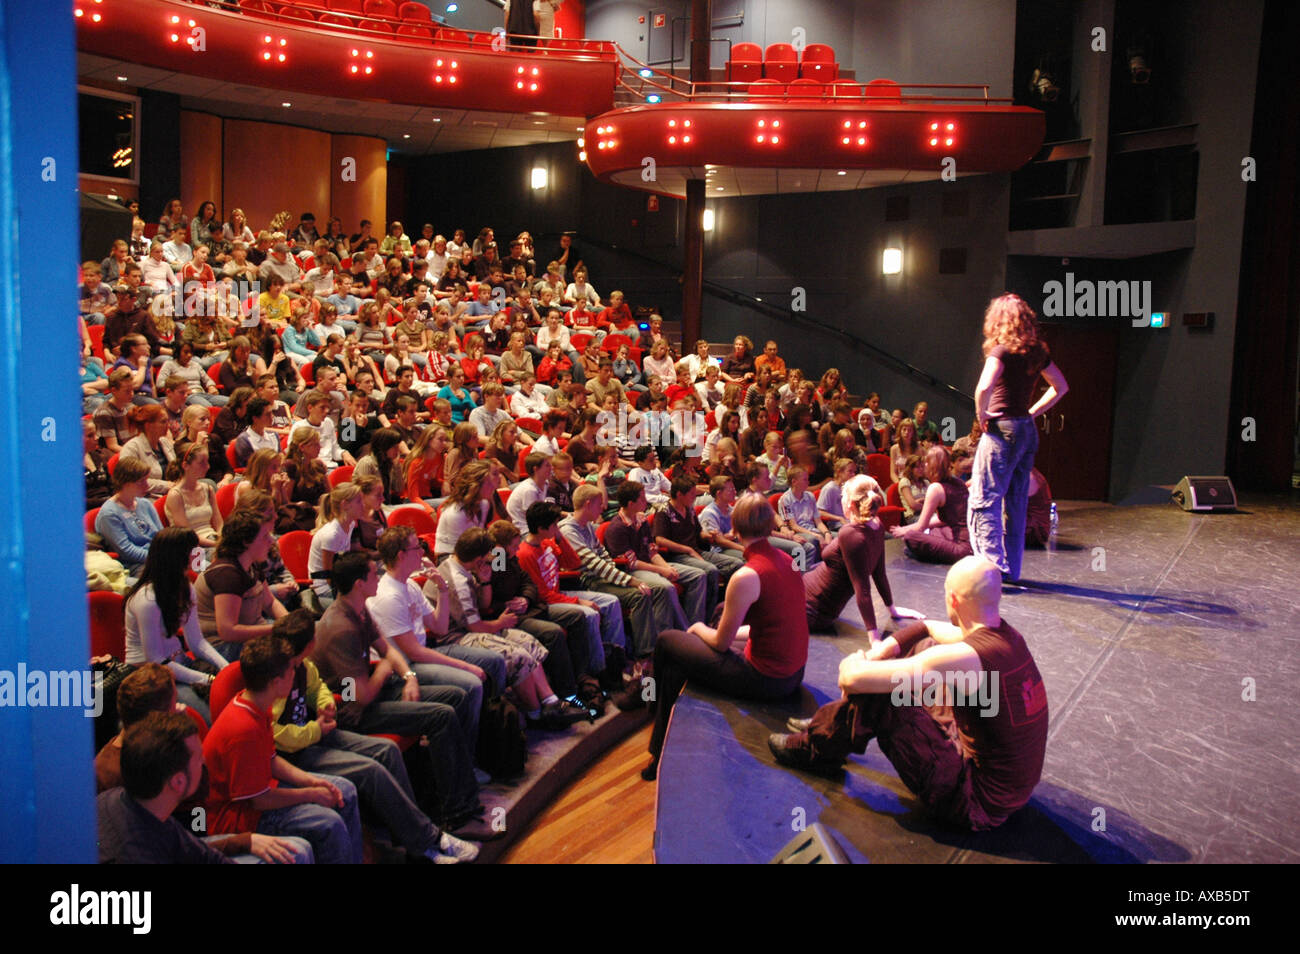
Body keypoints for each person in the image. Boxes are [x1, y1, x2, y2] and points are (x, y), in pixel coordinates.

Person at [768, 557, 1049, 831]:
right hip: (1010, 791)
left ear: (953, 600)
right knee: (925, 649)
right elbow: (927, 627)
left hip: (975, 801)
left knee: (882, 694)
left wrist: (858, 659)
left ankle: (816, 746)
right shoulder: (1006, 636)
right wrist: (886, 648)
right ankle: (832, 723)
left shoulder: (966, 656)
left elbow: (850, 678)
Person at [266, 609, 479, 863]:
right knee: (372, 769)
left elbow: (318, 687)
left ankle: (417, 837)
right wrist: (316, 729)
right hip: (302, 748)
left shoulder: (306, 663)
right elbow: (276, 732)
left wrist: (325, 704)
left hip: (322, 730)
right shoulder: (281, 674)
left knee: (387, 751)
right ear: (310, 643)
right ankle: (428, 839)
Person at [312, 552, 495, 842]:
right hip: (354, 712)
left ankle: (448, 787)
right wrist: (387, 668)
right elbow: (358, 696)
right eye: (373, 574)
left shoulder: (358, 609)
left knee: (457, 696)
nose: (379, 577)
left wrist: (408, 677)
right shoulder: (339, 628)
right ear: (360, 583)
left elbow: (387, 649)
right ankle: (457, 814)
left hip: (375, 689)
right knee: (441, 715)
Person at [642, 492, 809, 781]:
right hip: (793, 672)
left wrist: (696, 628)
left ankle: (651, 712)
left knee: (667, 641)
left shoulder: (746, 576)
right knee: (683, 658)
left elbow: (719, 642)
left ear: (735, 528)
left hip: (768, 680)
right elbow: (774, 621)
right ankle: (658, 742)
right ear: (770, 525)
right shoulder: (785, 558)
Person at [203, 634, 363, 864]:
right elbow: (258, 800)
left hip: (261, 791)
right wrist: (310, 793)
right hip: (238, 815)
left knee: (344, 790)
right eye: (290, 670)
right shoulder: (242, 729)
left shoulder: (260, 705)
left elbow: (272, 760)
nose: (295, 673)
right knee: (328, 823)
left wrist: (311, 782)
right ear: (275, 682)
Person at [97, 709, 310, 864]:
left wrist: (243, 841)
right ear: (178, 782)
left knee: (297, 851)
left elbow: (198, 853)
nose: (205, 762)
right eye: (200, 758)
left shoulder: (127, 802)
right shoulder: (137, 853)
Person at [968, 294, 1069, 582]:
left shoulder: (1000, 351)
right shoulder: (1037, 353)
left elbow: (984, 386)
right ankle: (1011, 571)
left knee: (985, 500)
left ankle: (992, 571)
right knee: (1015, 503)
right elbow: (1061, 387)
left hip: (1003, 430)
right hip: (1026, 429)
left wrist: (982, 415)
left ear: (997, 320)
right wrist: (1032, 413)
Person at [123, 528, 229, 723]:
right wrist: (207, 680)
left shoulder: (185, 587)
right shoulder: (147, 599)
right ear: (177, 557)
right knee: (209, 718)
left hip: (178, 663)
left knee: (228, 697)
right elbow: (156, 660)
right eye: (191, 551)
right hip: (151, 678)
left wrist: (224, 668)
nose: (196, 555)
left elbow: (197, 642)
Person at [804, 476, 921, 640]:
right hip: (807, 595)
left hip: (809, 609)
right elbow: (879, 574)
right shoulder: (877, 526)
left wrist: (874, 640)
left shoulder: (851, 534)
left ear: (851, 504)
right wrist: (891, 609)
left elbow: (863, 589)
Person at [195, 510, 289, 661]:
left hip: (252, 632)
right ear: (247, 542)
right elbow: (228, 631)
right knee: (286, 652)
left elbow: (270, 602)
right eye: (265, 536)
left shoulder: (252, 565)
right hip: (223, 647)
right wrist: (277, 630)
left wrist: (289, 623)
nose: (271, 541)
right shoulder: (227, 575)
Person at [889, 444, 973, 564]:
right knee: (936, 530)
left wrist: (904, 531)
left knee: (910, 537)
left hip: (962, 550)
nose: (924, 467)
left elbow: (920, 527)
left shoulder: (935, 488)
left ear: (932, 466)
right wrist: (906, 528)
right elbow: (942, 520)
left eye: (926, 463)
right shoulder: (958, 482)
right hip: (971, 544)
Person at [95, 457, 163, 573]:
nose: (147, 486)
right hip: (135, 566)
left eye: (147, 480)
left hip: (158, 557)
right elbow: (127, 551)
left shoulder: (145, 503)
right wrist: (160, 559)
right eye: (141, 481)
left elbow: (161, 536)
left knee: (198, 564)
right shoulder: (109, 514)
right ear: (125, 483)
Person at [164, 443, 223, 547]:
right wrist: (216, 545)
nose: (208, 467)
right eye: (201, 463)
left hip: (212, 539)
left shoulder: (208, 489)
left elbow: (219, 524)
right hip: (192, 547)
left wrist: (222, 541)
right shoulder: (175, 495)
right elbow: (188, 536)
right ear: (185, 465)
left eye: (207, 462)